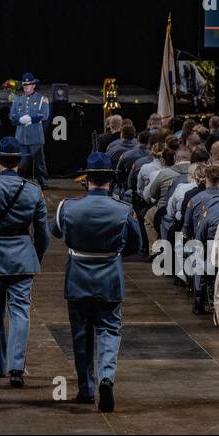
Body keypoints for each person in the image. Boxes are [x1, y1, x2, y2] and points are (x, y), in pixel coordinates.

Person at [50, 152, 140, 413]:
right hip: (110, 278)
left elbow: (55, 231)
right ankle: (106, 377)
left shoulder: (67, 207)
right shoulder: (124, 209)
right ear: (110, 180)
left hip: (78, 278)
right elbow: (135, 246)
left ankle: (86, 389)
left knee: (81, 335)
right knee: (109, 330)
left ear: (86, 179)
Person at [0, 137, 48, 387]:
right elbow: (42, 233)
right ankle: (16, 367)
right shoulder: (33, 190)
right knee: (20, 313)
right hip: (22, 256)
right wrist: (34, 255)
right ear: (19, 162)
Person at [9, 72, 50, 189]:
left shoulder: (42, 99)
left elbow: (45, 115)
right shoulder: (17, 99)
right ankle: (19, 181)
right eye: (25, 85)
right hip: (21, 137)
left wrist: (31, 119)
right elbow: (11, 115)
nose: (26, 87)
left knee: (39, 161)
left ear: (33, 85)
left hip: (35, 136)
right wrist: (19, 119)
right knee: (21, 162)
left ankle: (42, 180)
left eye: (29, 85)